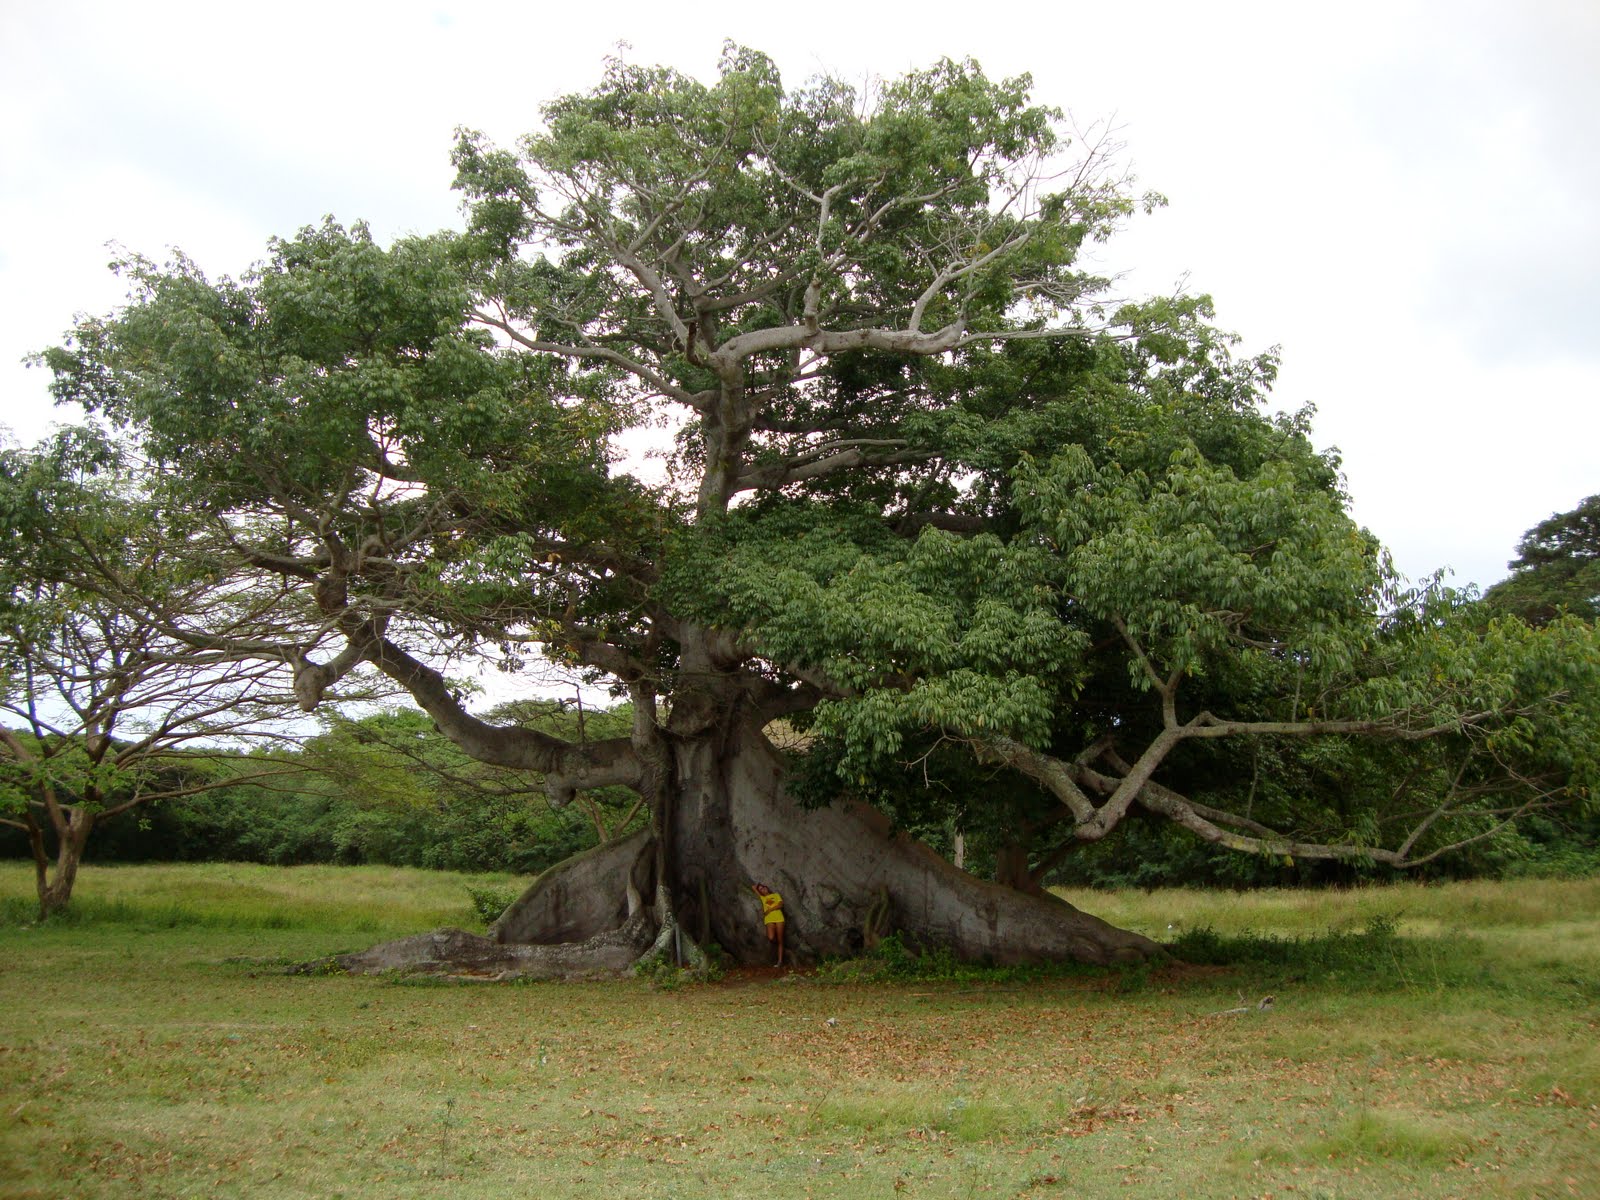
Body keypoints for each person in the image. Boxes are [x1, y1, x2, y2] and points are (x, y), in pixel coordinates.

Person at [751, 883, 786, 966]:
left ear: (767, 887)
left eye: (763, 887)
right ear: (761, 892)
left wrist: (770, 910)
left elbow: (780, 905)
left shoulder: (775, 895)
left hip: (779, 917)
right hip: (769, 919)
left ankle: (780, 961)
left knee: (780, 940)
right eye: (761, 889)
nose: (763, 889)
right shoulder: (763, 898)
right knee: (771, 938)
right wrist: (757, 887)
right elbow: (753, 887)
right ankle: (779, 946)